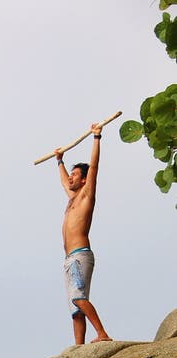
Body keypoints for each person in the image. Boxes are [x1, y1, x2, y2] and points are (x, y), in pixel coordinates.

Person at [55, 124, 112, 344]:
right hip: (69, 259)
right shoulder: (71, 199)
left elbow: (94, 167)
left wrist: (96, 137)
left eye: (75, 175)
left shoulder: (86, 196)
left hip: (80, 255)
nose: (71, 178)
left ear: (84, 180)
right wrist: (60, 161)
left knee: (78, 298)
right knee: (75, 308)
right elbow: (64, 182)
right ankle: (78, 347)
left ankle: (102, 334)